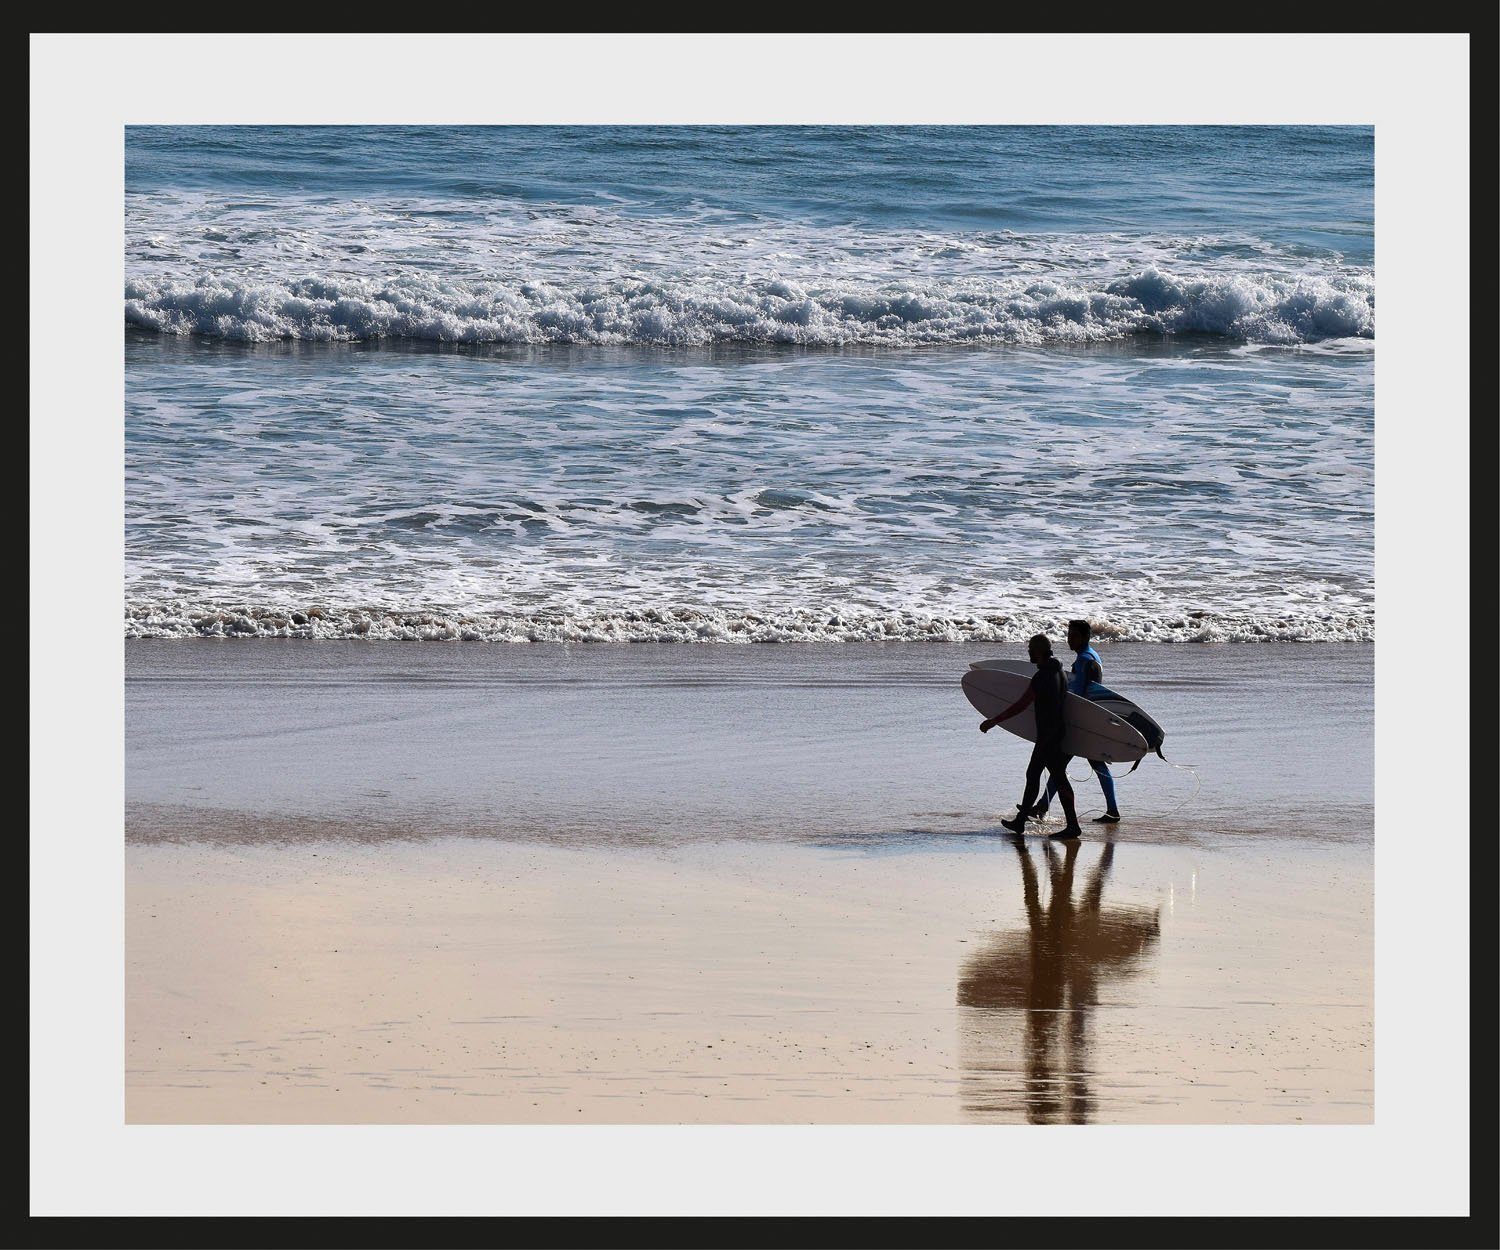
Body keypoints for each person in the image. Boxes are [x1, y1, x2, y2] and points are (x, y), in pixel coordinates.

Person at [979, 632, 1083, 839]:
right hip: (1057, 732)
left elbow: (1021, 704)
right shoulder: (1059, 672)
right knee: (1041, 776)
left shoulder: (1042, 676)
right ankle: (1023, 820)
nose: (1028, 654)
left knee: (1045, 776)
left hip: (1047, 736)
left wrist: (994, 721)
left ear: (1038, 651)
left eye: (1030, 650)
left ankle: (1068, 825)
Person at [1033, 619, 1121, 824]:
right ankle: (1112, 810)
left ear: (1084, 637)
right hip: (1091, 719)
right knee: (1095, 765)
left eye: (1073, 635)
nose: (1069, 639)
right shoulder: (1093, 656)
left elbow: (1078, 695)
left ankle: (1042, 807)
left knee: (1059, 765)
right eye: (1068, 634)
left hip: (1081, 722)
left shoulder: (1083, 660)